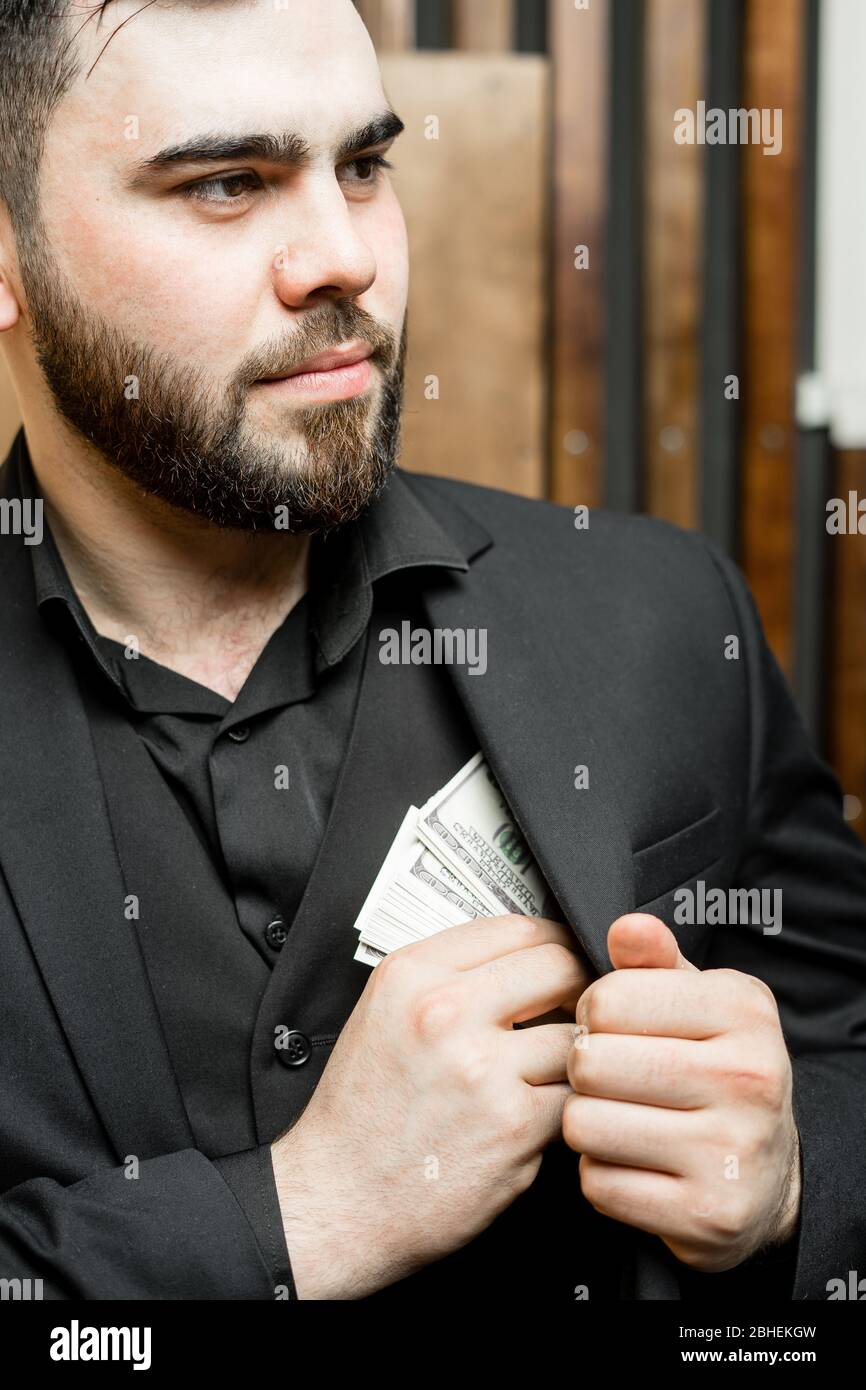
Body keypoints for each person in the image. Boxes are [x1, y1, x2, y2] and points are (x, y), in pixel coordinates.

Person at [0, 0, 864, 1303]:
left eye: (360, 166)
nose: (341, 257)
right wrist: (297, 1212)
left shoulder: (663, 613)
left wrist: (800, 1170)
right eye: (226, 183)